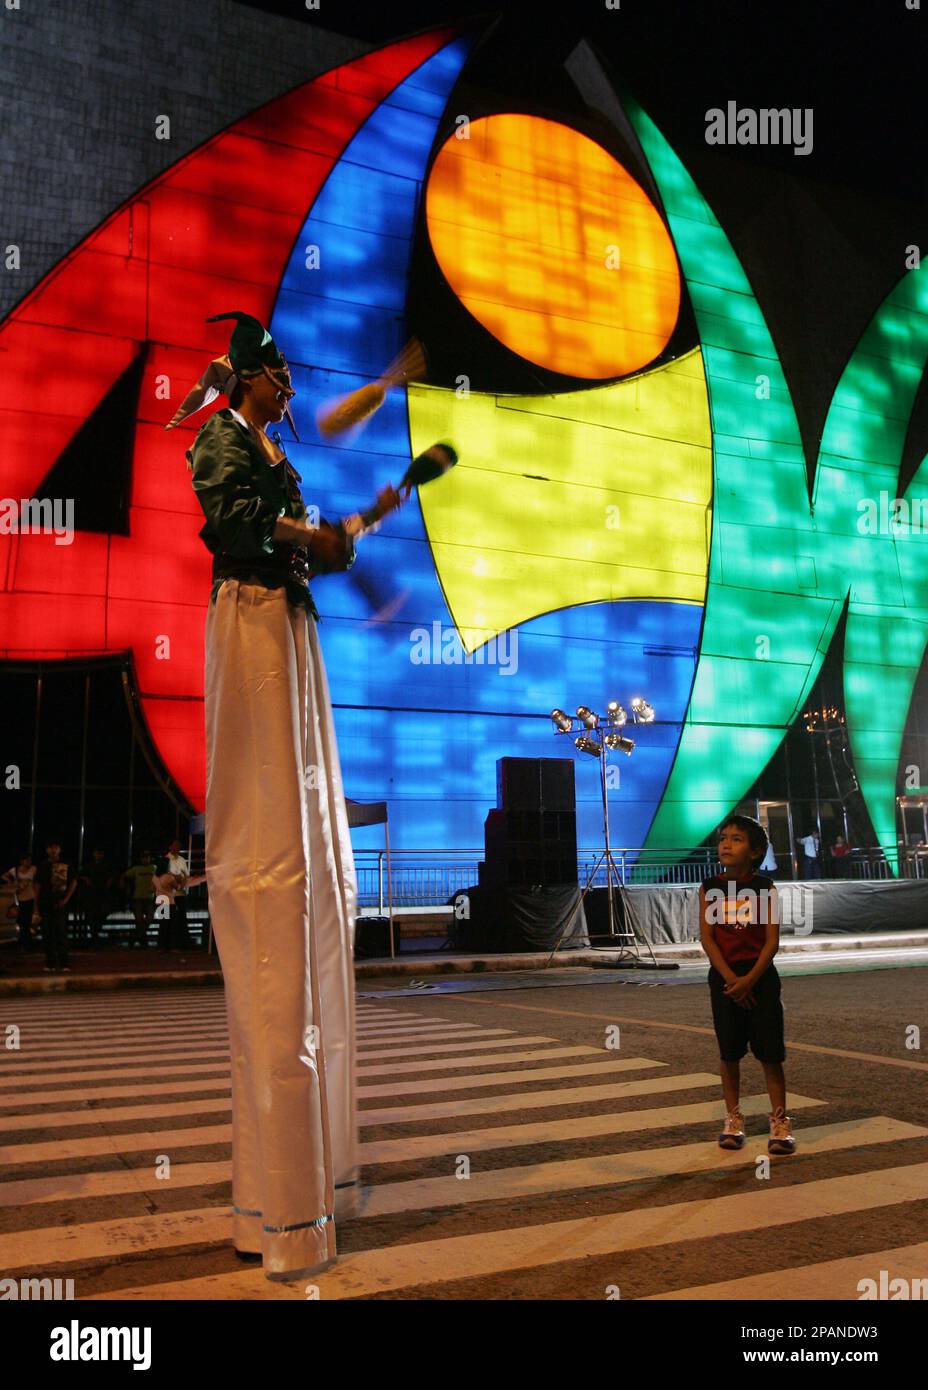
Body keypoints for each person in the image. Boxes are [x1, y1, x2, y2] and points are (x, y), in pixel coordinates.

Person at [175, 309, 405, 1280]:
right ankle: (281, 1210)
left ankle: (314, 1190)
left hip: (288, 632)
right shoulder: (220, 437)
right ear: (250, 374)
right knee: (270, 863)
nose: (293, 392)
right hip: (254, 628)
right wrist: (312, 532)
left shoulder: (264, 442)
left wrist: (347, 531)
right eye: (281, 377)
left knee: (310, 873)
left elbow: (289, 536)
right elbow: (230, 525)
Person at [699, 814, 795, 1156]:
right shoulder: (710, 887)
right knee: (729, 1053)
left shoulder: (764, 888)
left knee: (771, 1054)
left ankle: (780, 1122)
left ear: (755, 851)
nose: (726, 843)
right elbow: (707, 939)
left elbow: (771, 941)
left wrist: (749, 980)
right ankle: (733, 1119)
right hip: (724, 979)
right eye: (723, 837)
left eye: (737, 839)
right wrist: (730, 980)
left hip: (760, 978)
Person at [35, 840, 77, 974]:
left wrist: (66, 899)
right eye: (50, 848)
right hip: (46, 902)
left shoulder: (66, 864)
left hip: (60, 903)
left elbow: (73, 882)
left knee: (61, 932)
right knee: (47, 933)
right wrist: (36, 906)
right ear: (47, 850)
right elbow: (37, 886)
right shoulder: (42, 866)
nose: (53, 850)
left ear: (59, 849)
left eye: (55, 848)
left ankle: (64, 962)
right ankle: (50, 962)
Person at [79, 847, 114, 949]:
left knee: (102, 913)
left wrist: (109, 882)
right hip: (92, 894)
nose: (98, 855)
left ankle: (95, 936)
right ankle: (95, 938)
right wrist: (86, 879)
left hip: (103, 893)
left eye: (100, 853)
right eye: (96, 853)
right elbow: (80, 875)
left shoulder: (107, 865)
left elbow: (113, 874)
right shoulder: (89, 865)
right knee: (91, 916)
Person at [3, 853, 38, 951]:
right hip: (20, 898)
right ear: (22, 861)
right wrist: (13, 883)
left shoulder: (33, 869)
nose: (29, 862)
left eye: (30, 860)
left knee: (28, 922)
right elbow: (4, 876)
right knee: (22, 922)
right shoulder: (16, 870)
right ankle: (25, 944)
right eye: (27, 860)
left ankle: (27, 943)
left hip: (31, 897)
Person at [123, 850, 155, 947]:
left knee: (149, 918)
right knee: (139, 920)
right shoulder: (136, 869)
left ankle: (134, 937)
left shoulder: (153, 867)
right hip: (138, 898)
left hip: (149, 898)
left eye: (147, 857)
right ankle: (142, 940)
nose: (146, 859)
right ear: (141, 859)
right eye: (144, 857)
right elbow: (124, 875)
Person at [166, 839, 191, 948]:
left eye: (179, 846)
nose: (177, 848)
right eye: (175, 846)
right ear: (170, 847)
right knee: (167, 920)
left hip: (180, 893)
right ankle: (168, 944)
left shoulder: (182, 860)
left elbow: (186, 875)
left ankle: (180, 944)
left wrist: (182, 883)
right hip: (168, 894)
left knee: (180, 919)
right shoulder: (166, 859)